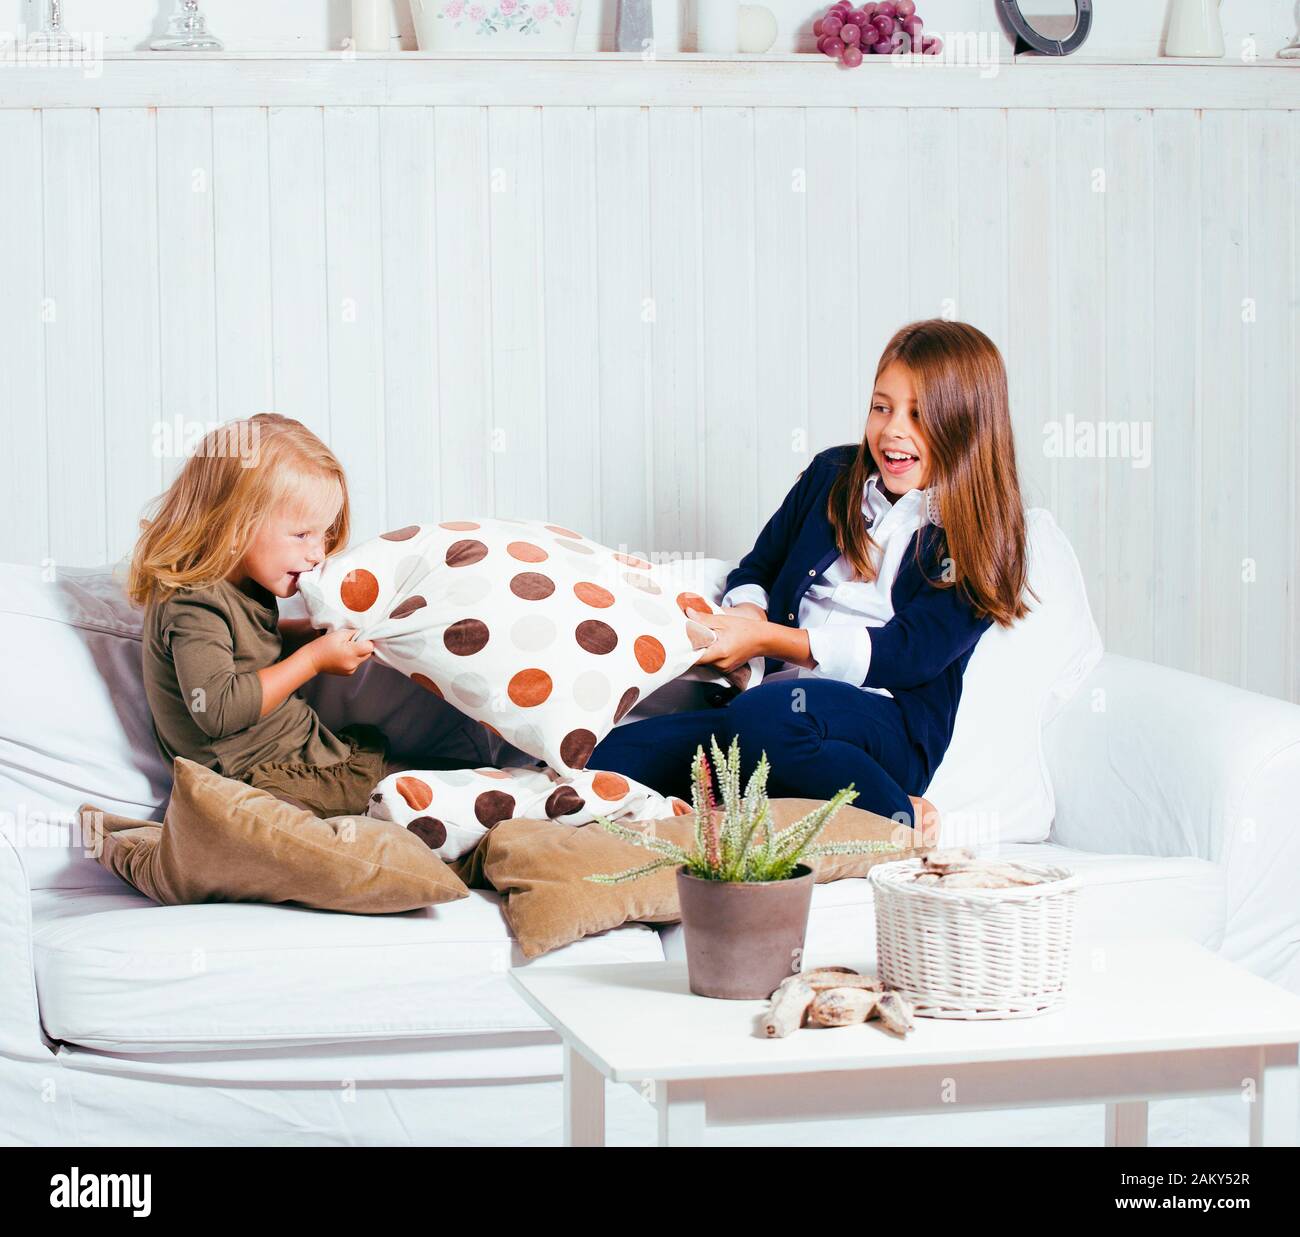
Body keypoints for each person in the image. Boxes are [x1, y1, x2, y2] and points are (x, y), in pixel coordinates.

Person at [589, 319, 1031, 836]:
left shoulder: (981, 535)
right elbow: (755, 569)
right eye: (882, 407)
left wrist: (772, 638)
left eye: (920, 414)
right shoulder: (832, 476)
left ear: (968, 425)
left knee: (770, 719)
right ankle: (757, 800)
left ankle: (902, 812)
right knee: (607, 758)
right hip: (764, 708)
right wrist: (745, 618)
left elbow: (909, 654)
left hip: (883, 723)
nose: (893, 430)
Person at [127, 412, 390, 817]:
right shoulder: (192, 600)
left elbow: (245, 653)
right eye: (302, 534)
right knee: (409, 802)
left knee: (417, 784)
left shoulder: (241, 583)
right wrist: (314, 660)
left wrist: (308, 635)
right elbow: (217, 708)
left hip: (296, 758)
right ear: (233, 524)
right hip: (258, 781)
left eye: (323, 534)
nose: (318, 553)